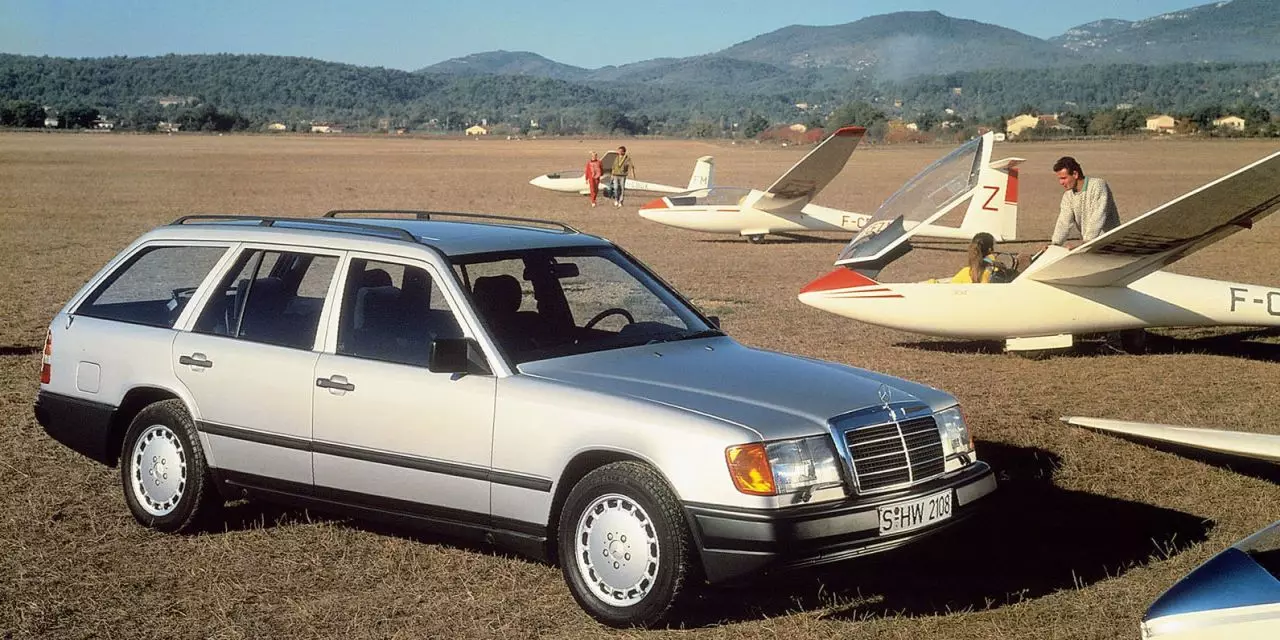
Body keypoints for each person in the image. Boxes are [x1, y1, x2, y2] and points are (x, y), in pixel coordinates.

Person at [1050, 156, 1120, 249]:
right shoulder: (1068, 196)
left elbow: (1098, 217)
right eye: (1060, 179)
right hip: (1090, 245)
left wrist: (1086, 243)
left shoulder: (1098, 185)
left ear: (1075, 174)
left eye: (1064, 178)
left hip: (1110, 243)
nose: (1061, 182)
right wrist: (1055, 245)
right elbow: (1064, 222)